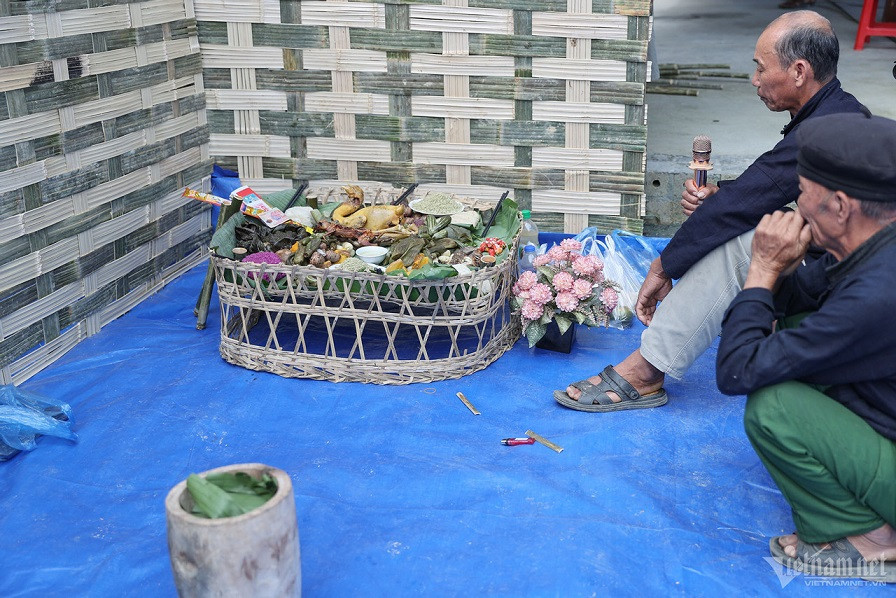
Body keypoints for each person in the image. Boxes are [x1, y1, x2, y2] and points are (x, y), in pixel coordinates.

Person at [553, 10, 870, 412]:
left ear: (799, 71)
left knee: (746, 243)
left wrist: (663, 266)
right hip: (851, 268)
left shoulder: (826, 131)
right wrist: (721, 193)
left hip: (853, 284)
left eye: (761, 68)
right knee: (752, 223)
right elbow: (765, 186)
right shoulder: (836, 111)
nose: (754, 80)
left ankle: (647, 372)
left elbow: (745, 204)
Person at [716, 112, 896, 581]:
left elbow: (736, 371)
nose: (797, 203)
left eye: (804, 192)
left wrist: (761, 268)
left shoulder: (880, 290)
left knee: (773, 407)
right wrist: (782, 271)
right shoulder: (875, 241)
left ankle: (871, 536)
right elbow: (799, 297)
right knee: (796, 324)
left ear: (839, 205)